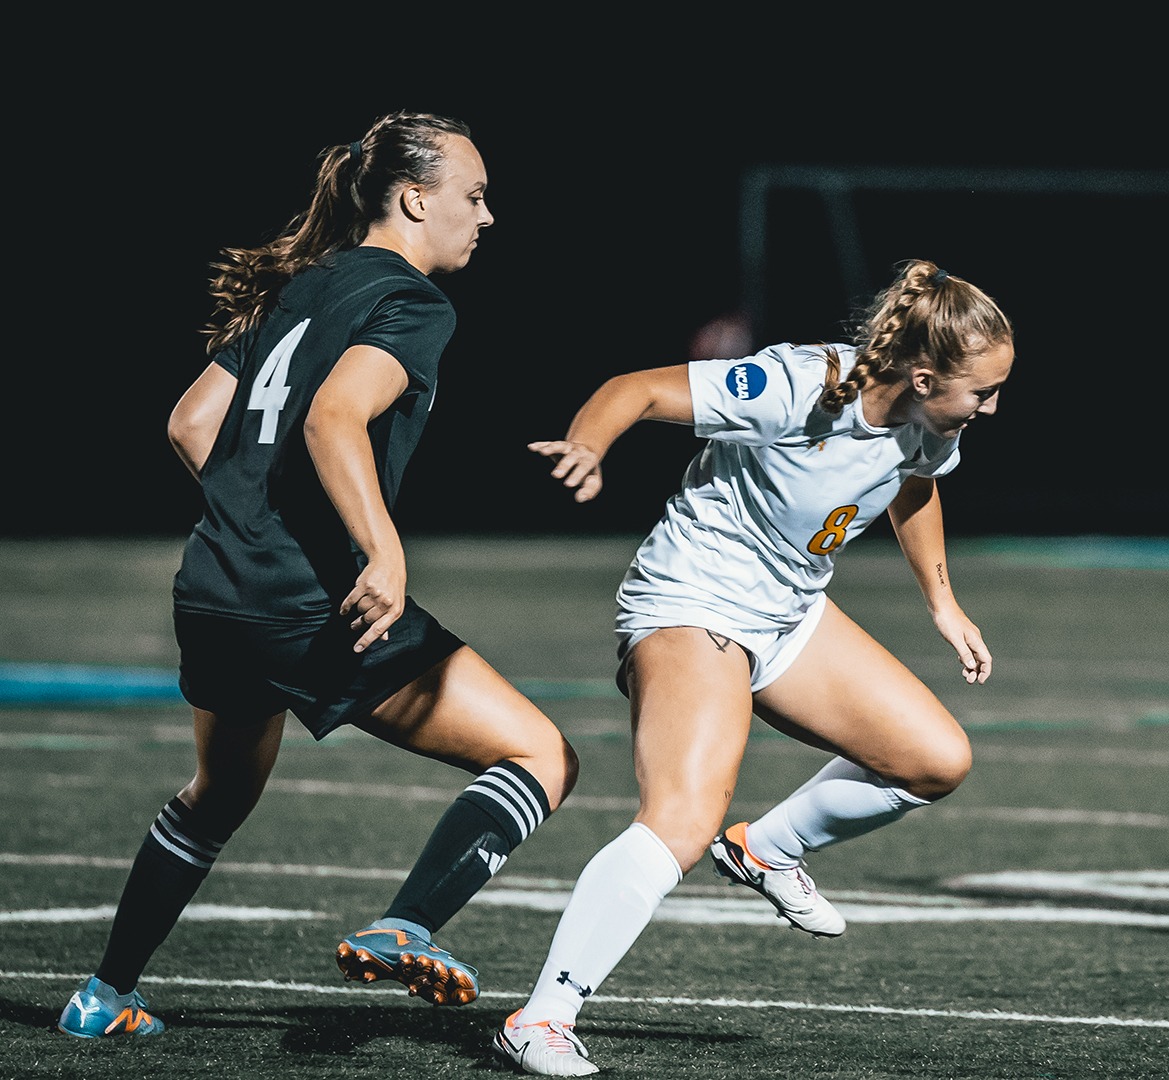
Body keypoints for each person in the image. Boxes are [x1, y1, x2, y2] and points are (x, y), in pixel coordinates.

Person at [55, 111, 580, 1039]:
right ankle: (406, 924)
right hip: (307, 602)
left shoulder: (297, 286)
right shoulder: (414, 301)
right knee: (543, 754)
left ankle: (103, 996)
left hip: (215, 590)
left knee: (216, 794)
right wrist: (380, 548)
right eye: (474, 195)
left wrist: (250, 516)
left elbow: (190, 423)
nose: (487, 216)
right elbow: (333, 418)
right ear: (416, 199)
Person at [490, 258, 1012, 1076]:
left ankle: (767, 850)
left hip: (790, 613)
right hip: (694, 601)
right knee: (681, 818)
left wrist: (943, 605)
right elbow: (636, 388)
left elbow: (915, 487)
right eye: (982, 391)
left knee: (934, 760)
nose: (991, 406)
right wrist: (588, 447)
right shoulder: (794, 384)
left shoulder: (927, 425)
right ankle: (543, 1016)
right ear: (922, 374)